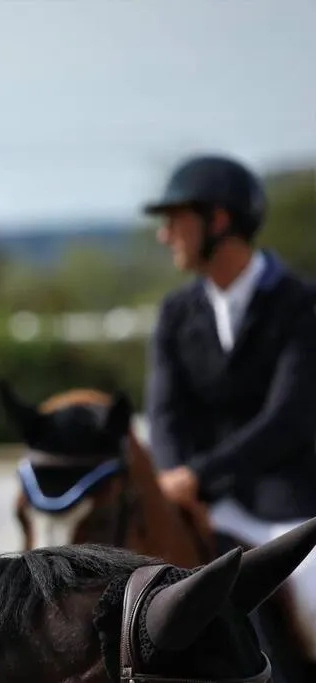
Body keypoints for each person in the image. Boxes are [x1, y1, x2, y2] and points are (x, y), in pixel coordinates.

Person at [143, 153, 316, 682]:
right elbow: (164, 413)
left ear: (218, 221)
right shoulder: (176, 312)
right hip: (204, 510)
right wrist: (176, 481)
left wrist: (197, 474)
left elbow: (289, 419)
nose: (164, 234)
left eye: (176, 219)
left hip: (289, 510)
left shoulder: (302, 305)